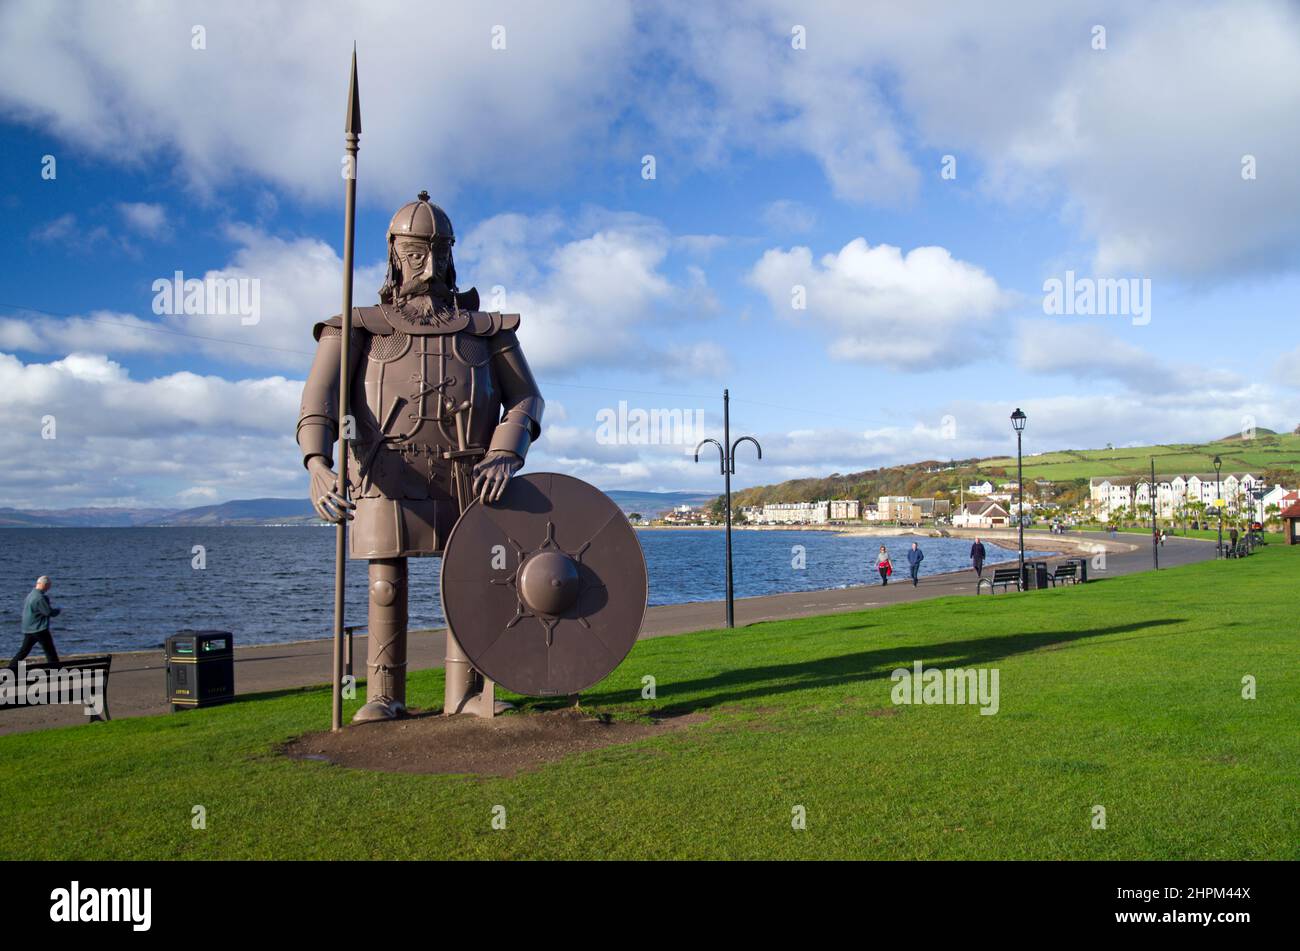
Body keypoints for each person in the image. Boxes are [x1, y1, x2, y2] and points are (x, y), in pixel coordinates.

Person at [11, 576, 61, 669]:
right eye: (48, 586)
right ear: (44, 585)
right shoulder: (39, 598)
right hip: (39, 628)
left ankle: (11, 667)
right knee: (50, 652)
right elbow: (48, 612)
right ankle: (56, 671)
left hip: (28, 628)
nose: (48, 588)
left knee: (23, 651)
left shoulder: (30, 595)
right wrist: (58, 610)